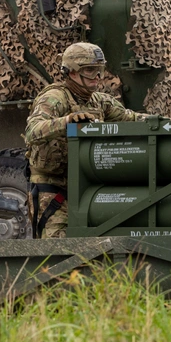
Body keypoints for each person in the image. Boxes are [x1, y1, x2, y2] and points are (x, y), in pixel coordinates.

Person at [25, 42, 146, 238]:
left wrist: (169, 123)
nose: (97, 76)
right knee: (57, 248)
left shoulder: (100, 101)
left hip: (88, 189)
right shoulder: (55, 98)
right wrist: (66, 122)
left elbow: (131, 118)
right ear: (72, 72)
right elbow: (32, 131)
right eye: (90, 70)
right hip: (54, 189)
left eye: (100, 70)